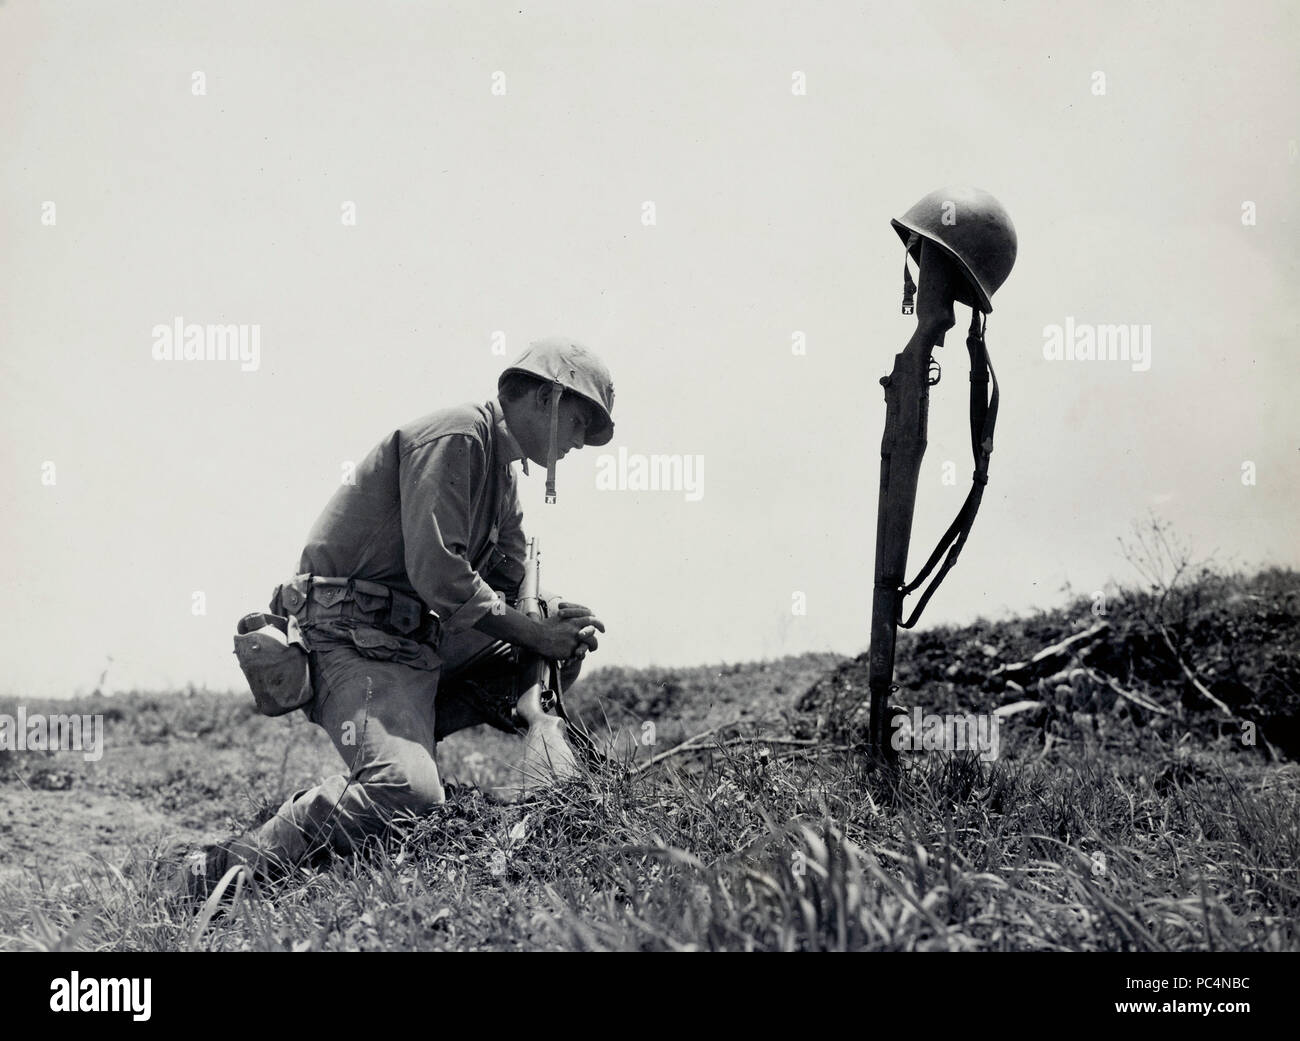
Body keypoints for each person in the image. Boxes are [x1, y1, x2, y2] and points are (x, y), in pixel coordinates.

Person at [177, 338, 616, 900]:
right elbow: (440, 574)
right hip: (351, 640)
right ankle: (223, 866)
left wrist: (553, 618)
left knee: (552, 627)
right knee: (405, 793)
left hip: (410, 646)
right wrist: (533, 630)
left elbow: (507, 574)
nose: (579, 443)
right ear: (547, 399)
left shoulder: (501, 473)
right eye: (578, 423)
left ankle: (412, 745)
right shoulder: (458, 436)